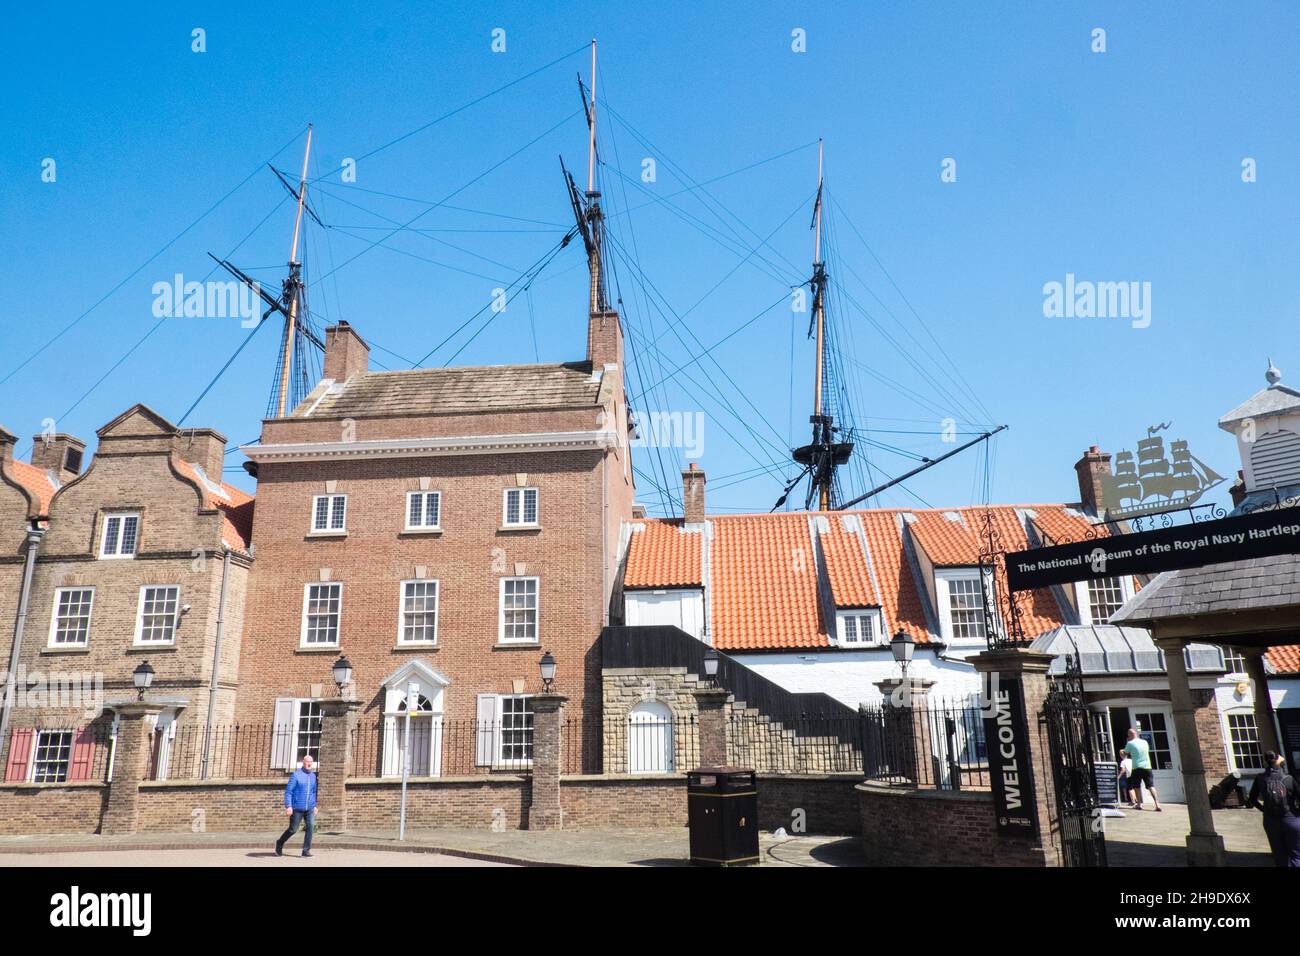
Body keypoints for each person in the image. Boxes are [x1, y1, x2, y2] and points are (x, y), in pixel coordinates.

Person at [1247, 751, 1300, 867]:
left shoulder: (1260, 778)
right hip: (1291, 819)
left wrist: (1264, 809)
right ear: (1278, 760)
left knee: (1279, 855)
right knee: (1296, 854)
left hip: (1271, 821)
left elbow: (1252, 799)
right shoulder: (1289, 778)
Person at [275, 754, 319, 857]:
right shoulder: (296, 775)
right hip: (297, 807)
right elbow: (289, 791)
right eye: (307, 762)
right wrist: (288, 806)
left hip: (309, 808)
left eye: (311, 762)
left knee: (310, 827)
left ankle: (306, 851)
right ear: (303, 763)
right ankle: (280, 843)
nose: (309, 764)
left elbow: (313, 792)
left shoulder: (313, 776)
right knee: (293, 829)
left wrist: (315, 805)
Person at [1123, 728, 1161, 812]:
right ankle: (1157, 804)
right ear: (1136, 734)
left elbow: (1124, 754)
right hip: (1147, 766)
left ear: (1129, 735)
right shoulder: (1144, 742)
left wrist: (1126, 745)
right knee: (1151, 786)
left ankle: (1139, 804)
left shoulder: (1130, 743)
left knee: (1137, 786)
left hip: (1136, 767)